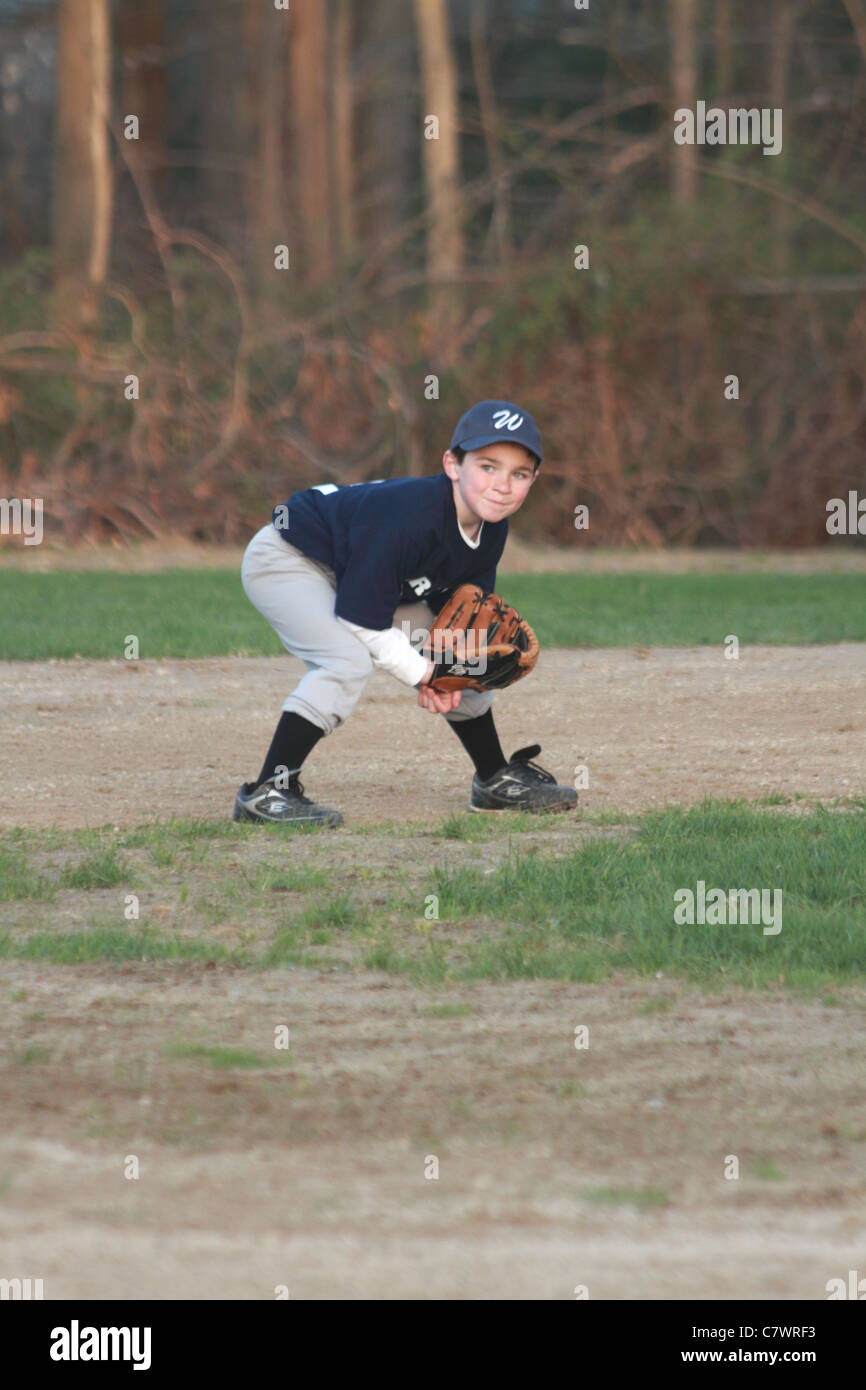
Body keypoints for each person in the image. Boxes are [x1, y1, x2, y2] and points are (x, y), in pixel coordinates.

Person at [234, 399, 578, 826]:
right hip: (291, 558)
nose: (503, 485)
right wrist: (424, 674)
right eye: (488, 466)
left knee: (466, 655)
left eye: (519, 474)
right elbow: (362, 620)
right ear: (452, 464)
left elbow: (462, 612)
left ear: (534, 479)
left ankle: (493, 780)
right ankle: (269, 791)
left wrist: (446, 667)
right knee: (346, 660)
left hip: (355, 572)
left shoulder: (492, 528)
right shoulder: (410, 516)